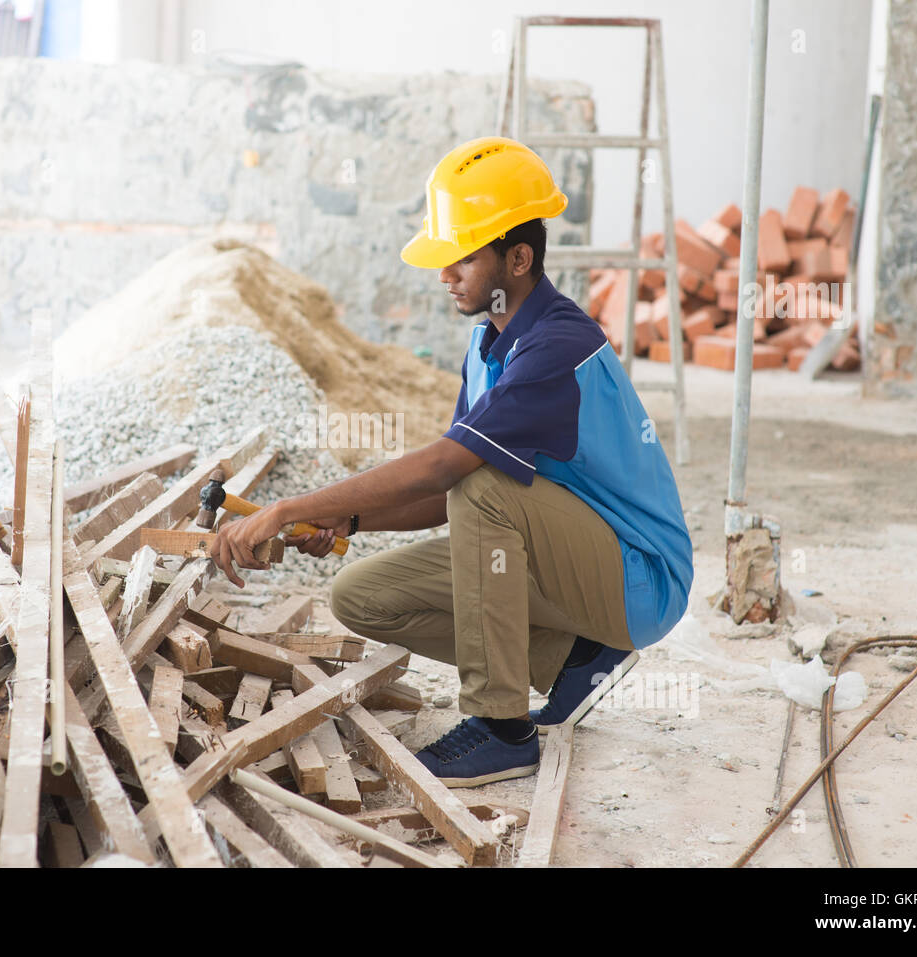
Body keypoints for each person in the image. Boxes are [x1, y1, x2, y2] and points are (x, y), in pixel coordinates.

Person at [208, 136, 693, 788]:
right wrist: (348, 523)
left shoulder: (557, 346)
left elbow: (447, 472)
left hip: (641, 574)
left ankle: (502, 729)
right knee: (362, 596)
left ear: (518, 258)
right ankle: (576, 656)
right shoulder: (487, 341)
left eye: (460, 259)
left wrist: (287, 509)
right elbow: (448, 489)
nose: (444, 275)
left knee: (483, 488)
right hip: (578, 562)